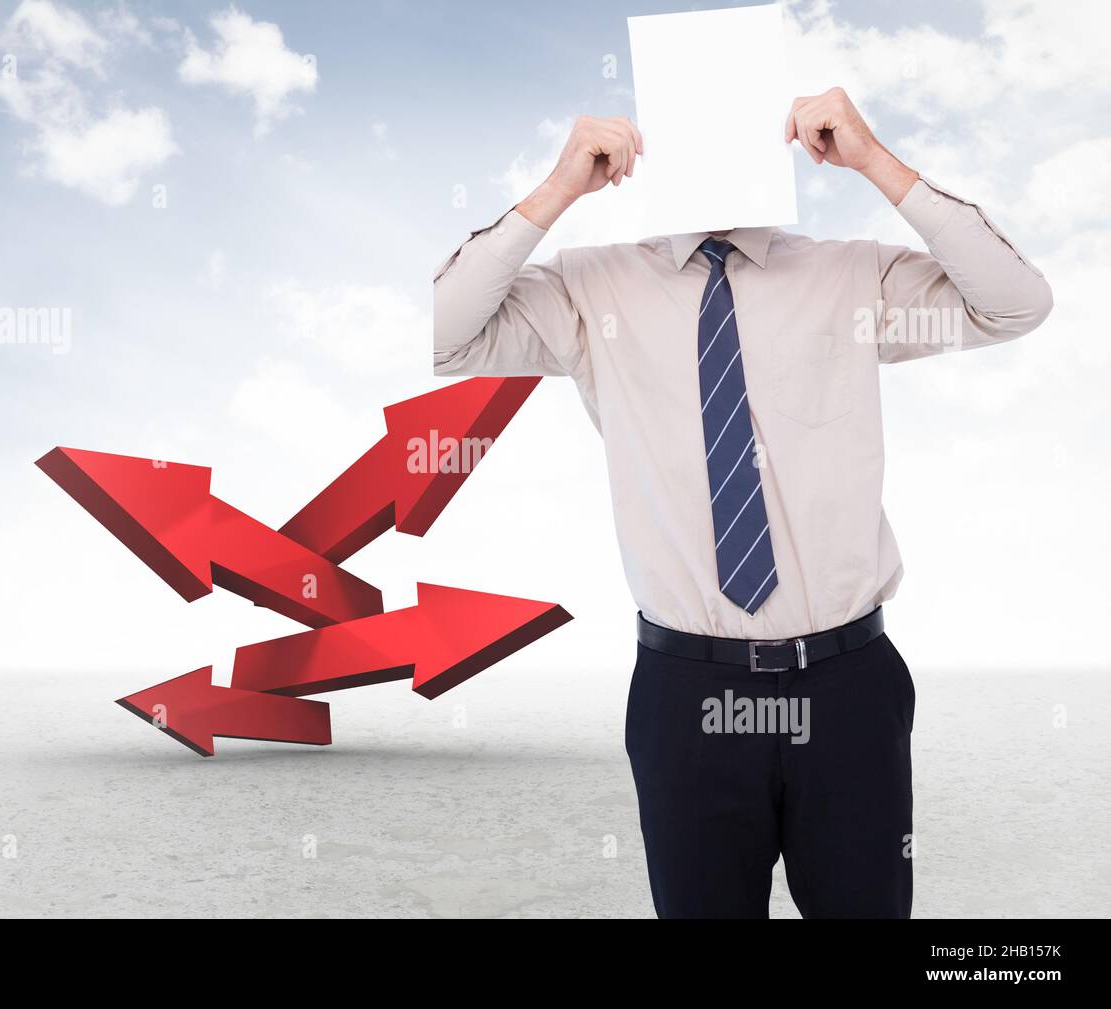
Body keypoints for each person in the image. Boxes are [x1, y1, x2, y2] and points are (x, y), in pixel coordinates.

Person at [432, 87, 1053, 918]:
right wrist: (557, 192)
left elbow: (1015, 302)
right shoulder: (592, 289)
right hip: (686, 694)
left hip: (846, 689)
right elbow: (444, 332)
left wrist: (874, 160)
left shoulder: (850, 273)